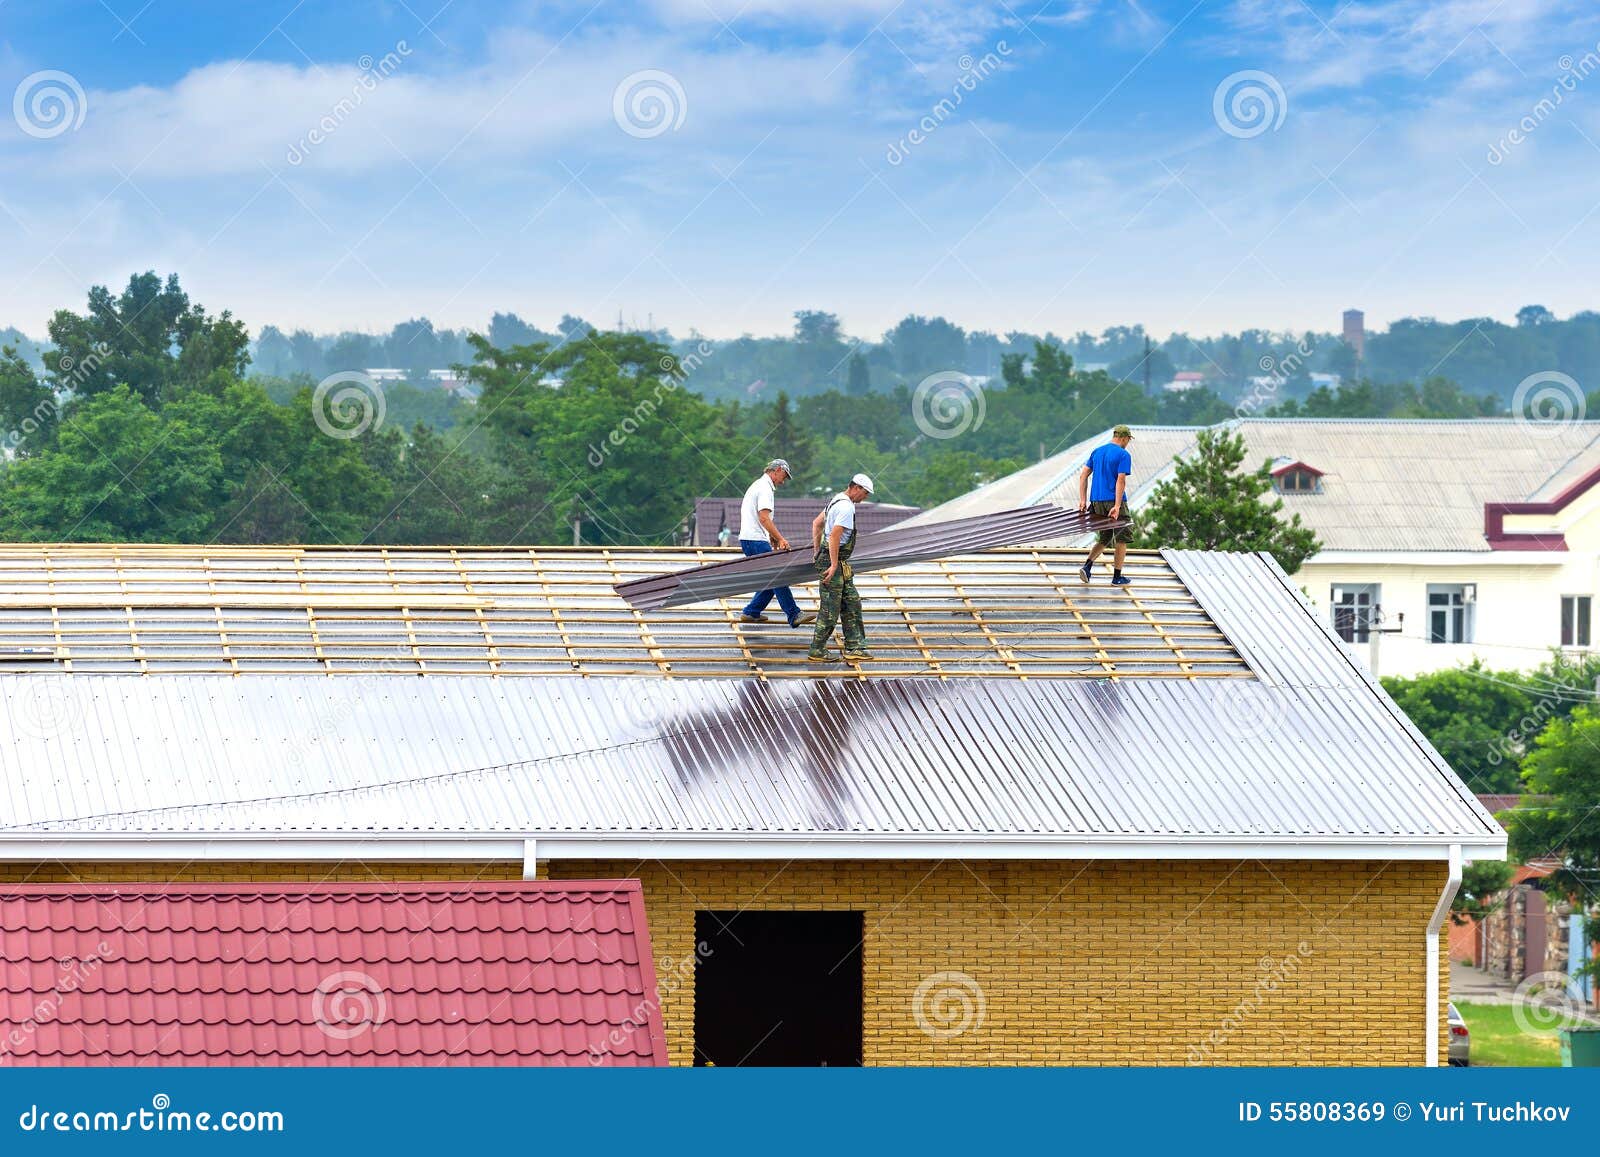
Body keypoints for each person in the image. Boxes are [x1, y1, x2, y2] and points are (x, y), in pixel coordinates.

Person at [738, 459, 816, 628]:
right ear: (777, 470)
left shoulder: (759, 485)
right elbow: (764, 517)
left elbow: (761, 519)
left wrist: (771, 536)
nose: (783, 481)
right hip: (755, 540)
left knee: (771, 578)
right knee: (778, 575)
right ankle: (794, 614)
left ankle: (751, 612)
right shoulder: (765, 488)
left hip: (752, 539)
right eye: (784, 476)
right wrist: (780, 538)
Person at [807, 473, 873, 663]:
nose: (865, 497)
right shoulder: (845, 506)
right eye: (865, 493)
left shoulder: (836, 500)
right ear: (856, 488)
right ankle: (817, 650)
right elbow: (835, 536)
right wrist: (833, 563)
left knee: (852, 602)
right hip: (834, 562)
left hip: (836, 561)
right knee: (830, 608)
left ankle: (855, 646)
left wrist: (817, 552)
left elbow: (816, 523)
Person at [1077, 424, 1135, 587]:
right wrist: (1117, 505)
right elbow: (1120, 480)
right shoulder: (1123, 454)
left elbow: (1083, 476)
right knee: (1122, 536)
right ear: (1124, 438)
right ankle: (1117, 577)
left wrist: (1083, 500)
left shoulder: (1097, 451)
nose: (1128, 443)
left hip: (1096, 501)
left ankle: (1087, 567)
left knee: (1106, 536)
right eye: (1128, 440)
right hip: (1113, 500)